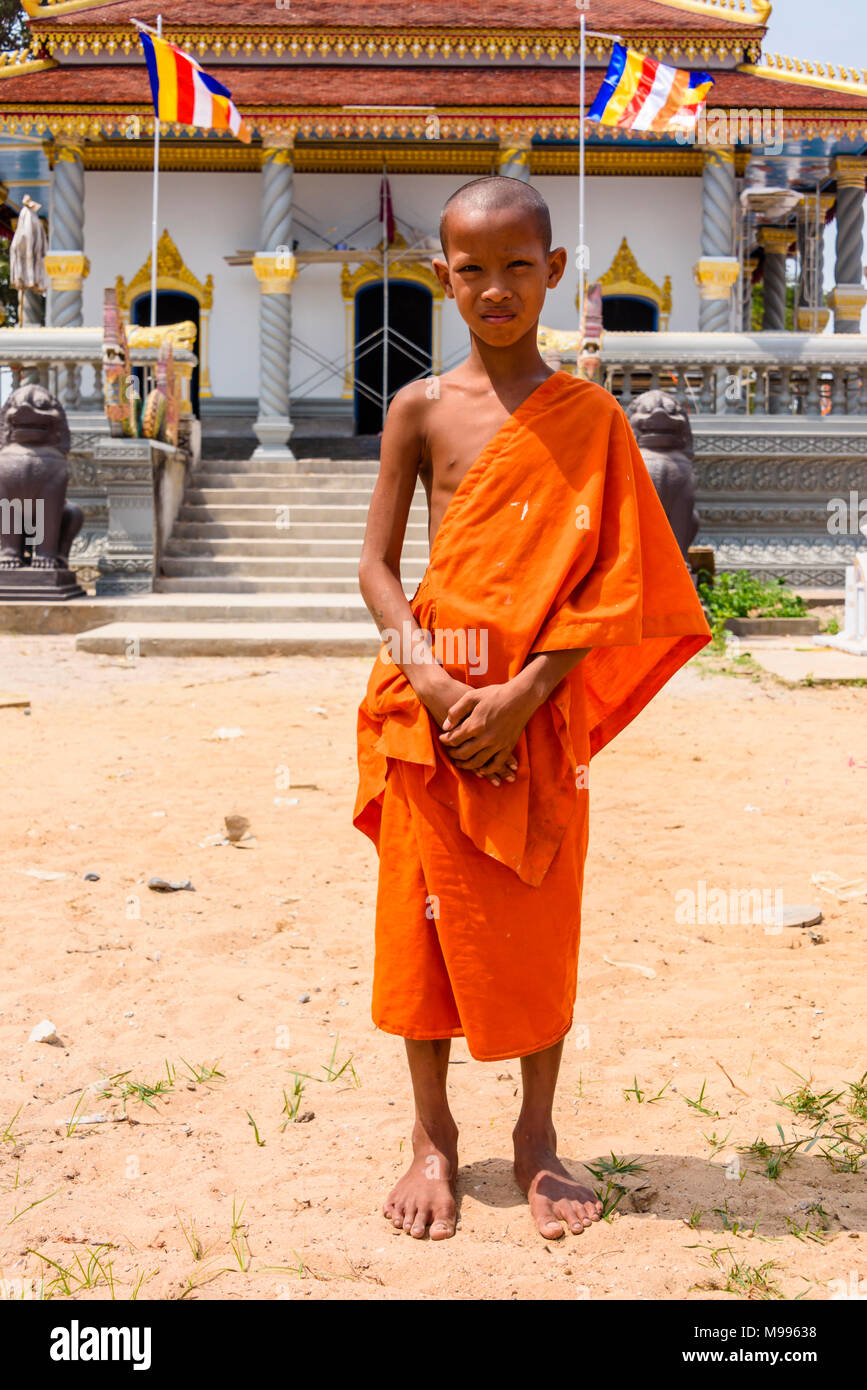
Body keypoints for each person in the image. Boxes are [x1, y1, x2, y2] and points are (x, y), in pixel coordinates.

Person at [354, 175, 711, 1241]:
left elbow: (618, 582)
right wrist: (429, 673)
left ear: (554, 273)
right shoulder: (419, 407)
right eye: (473, 269)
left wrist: (521, 694)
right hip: (430, 702)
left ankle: (538, 1134)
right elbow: (374, 566)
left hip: (533, 708)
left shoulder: (592, 418)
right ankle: (432, 1136)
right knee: (419, 928)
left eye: (519, 267)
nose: (496, 288)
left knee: (539, 917)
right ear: (442, 277)